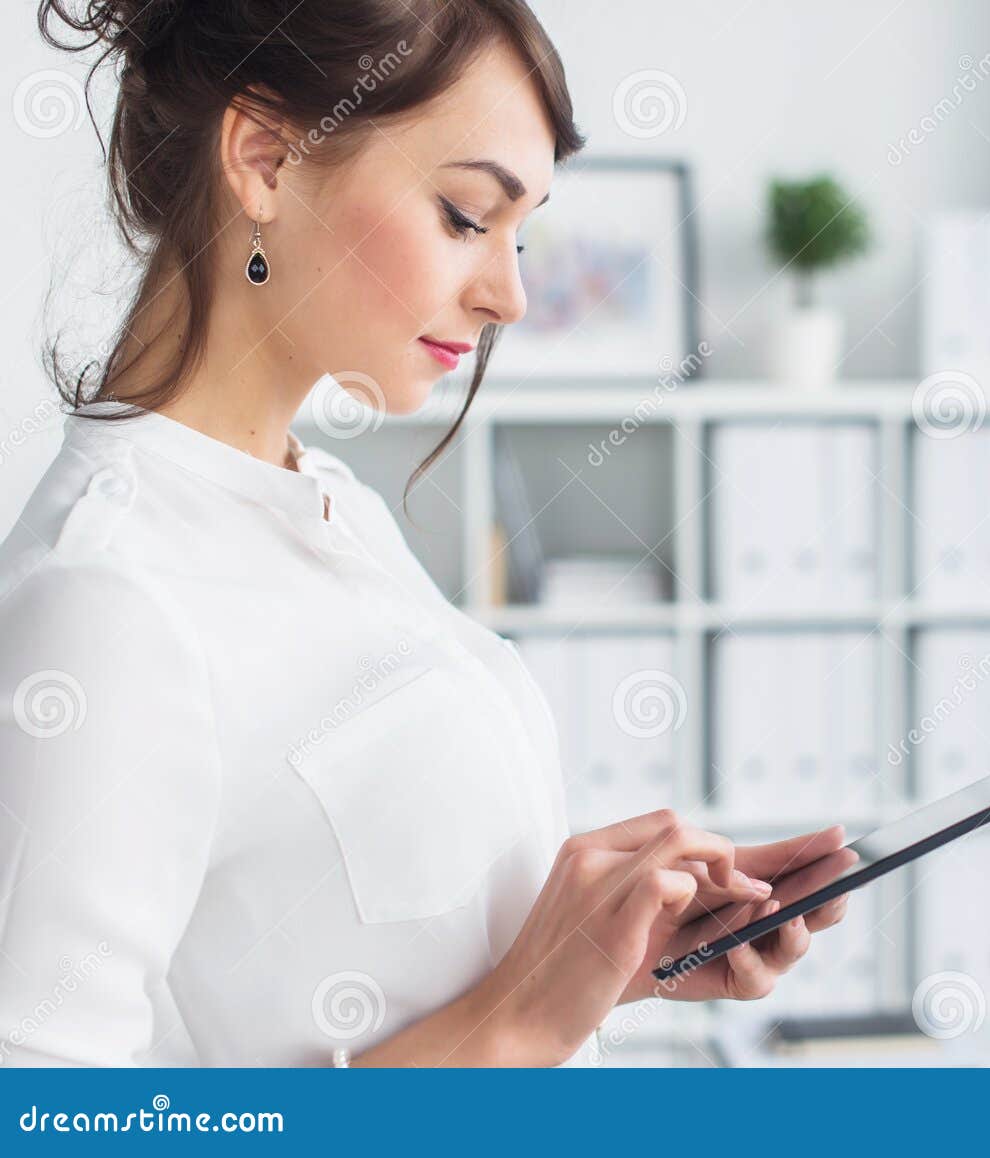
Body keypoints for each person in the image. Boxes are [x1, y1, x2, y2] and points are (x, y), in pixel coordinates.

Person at [0, 0, 847, 1067]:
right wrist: (519, 1018)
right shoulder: (107, 603)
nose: (512, 294)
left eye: (520, 231)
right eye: (463, 215)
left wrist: (595, 960)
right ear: (263, 159)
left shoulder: (333, 507)